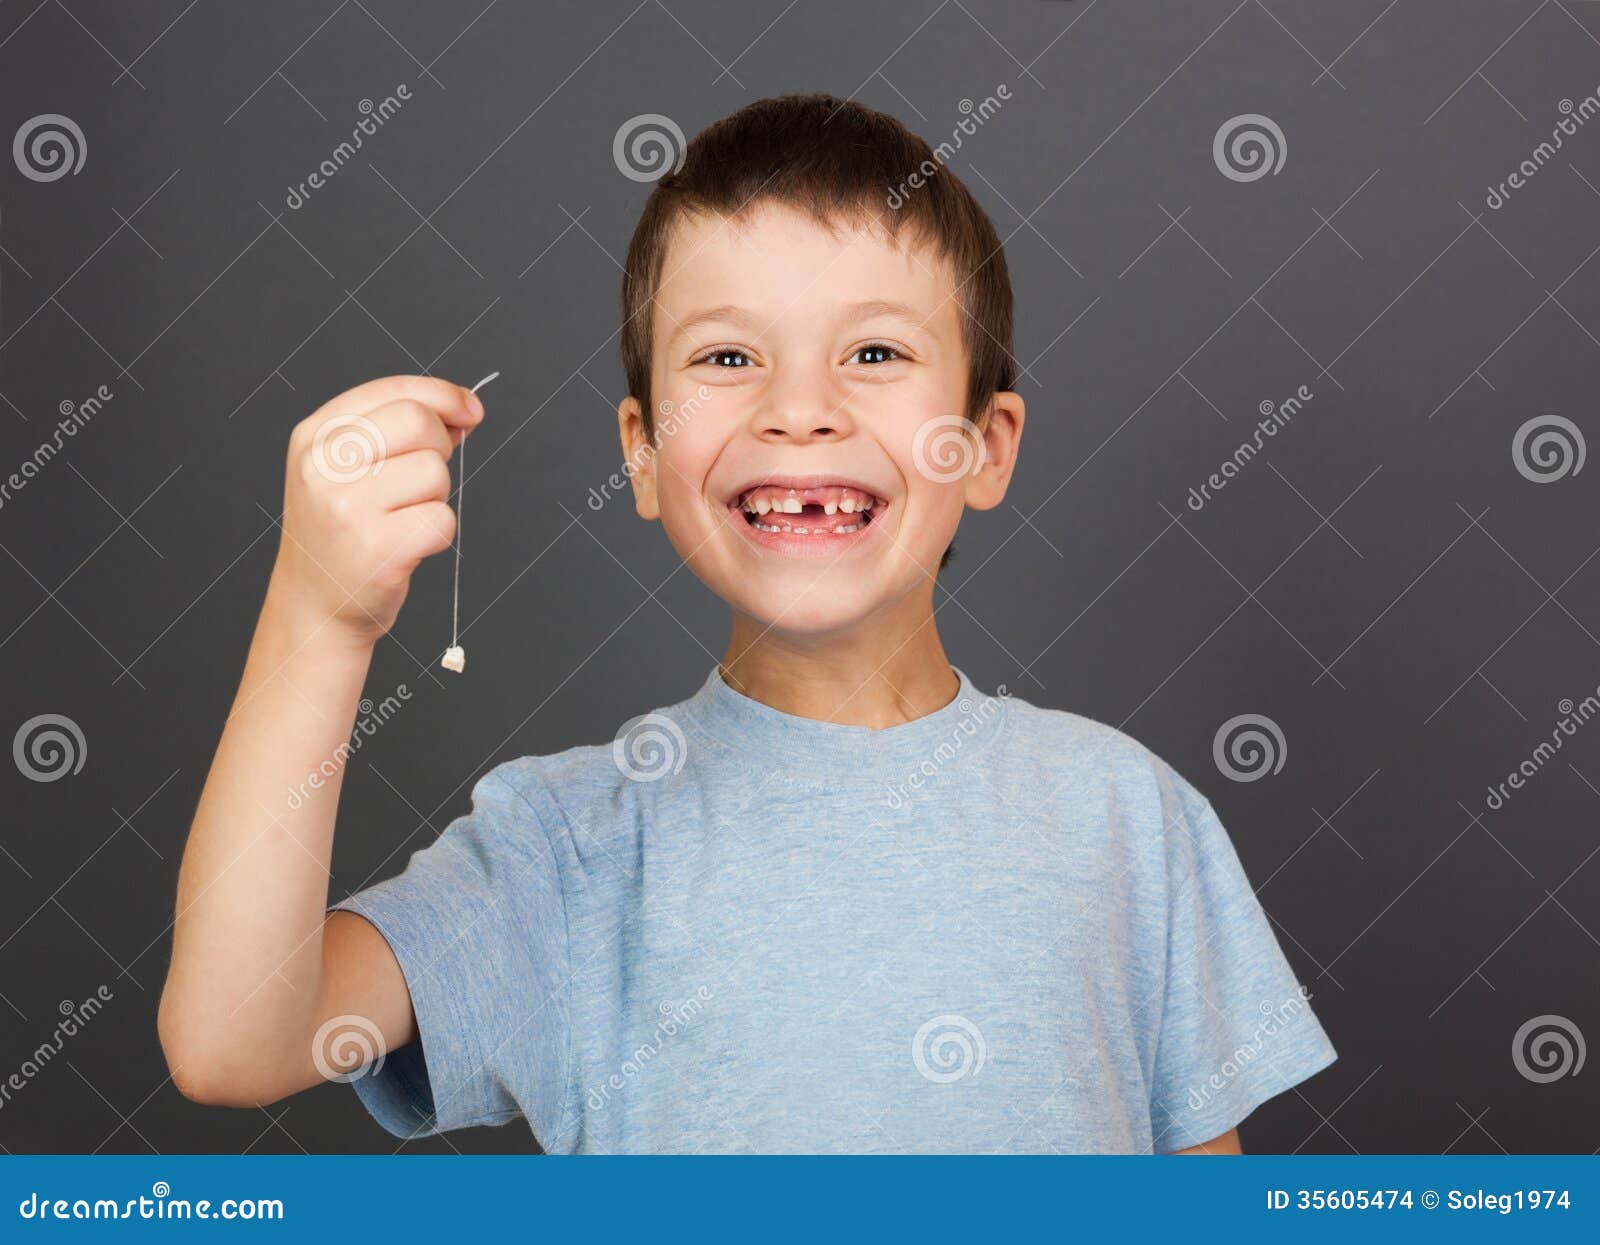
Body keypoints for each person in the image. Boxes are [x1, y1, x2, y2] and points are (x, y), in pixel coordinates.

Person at [158, 93, 1335, 1154]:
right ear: (643, 456)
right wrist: (318, 619)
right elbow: (231, 1046)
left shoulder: (1127, 818)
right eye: (727, 355)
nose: (800, 410)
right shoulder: (564, 849)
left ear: (984, 446)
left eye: (875, 351)